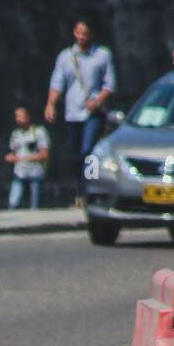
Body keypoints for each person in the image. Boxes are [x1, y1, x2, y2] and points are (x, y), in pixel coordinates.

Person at [44, 18, 115, 207]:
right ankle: (80, 193)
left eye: (85, 33)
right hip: (72, 112)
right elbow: (57, 83)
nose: (82, 37)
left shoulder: (102, 55)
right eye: (78, 33)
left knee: (88, 152)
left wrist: (98, 100)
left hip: (93, 113)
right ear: (74, 33)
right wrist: (51, 104)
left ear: (91, 34)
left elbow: (109, 84)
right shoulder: (65, 56)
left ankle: (91, 190)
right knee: (76, 155)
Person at [6, 106, 49, 210]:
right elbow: (12, 153)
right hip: (20, 173)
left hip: (35, 172)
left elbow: (44, 155)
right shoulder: (15, 134)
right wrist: (10, 157)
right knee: (13, 204)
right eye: (17, 116)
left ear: (28, 117)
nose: (18, 119)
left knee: (35, 206)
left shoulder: (38, 132)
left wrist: (23, 158)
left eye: (21, 116)